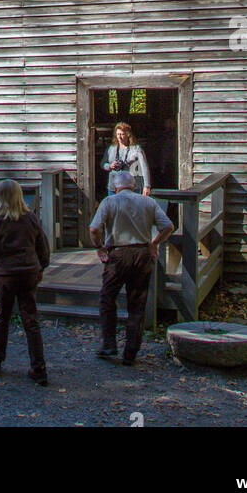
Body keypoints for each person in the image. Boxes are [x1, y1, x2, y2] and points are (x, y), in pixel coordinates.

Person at [89, 170, 174, 364]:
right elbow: (168, 226)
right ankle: (131, 352)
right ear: (134, 186)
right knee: (137, 303)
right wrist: (154, 243)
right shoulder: (148, 202)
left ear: (115, 187)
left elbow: (94, 228)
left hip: (118, 254)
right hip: (142, 254)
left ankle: (109, 344)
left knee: (107, 297)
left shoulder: (109, 202)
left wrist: (99, 247)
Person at [0, 179, 51, 386]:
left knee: (3, 318)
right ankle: (39, 367)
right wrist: (41, 266)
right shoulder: (31, 219)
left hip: (6, 275)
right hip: (28, 273)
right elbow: (42, 245)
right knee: (31, 320)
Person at [101, 122, 151, 195]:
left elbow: (144, 168)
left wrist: (147, 186)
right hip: (114, 187)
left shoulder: (136, 149)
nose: (119, 137)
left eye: (122, 134)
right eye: (118, 134)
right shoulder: (111, 148)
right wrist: (109, 166)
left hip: (132, 187)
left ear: (128, 134)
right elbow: (102, 164)